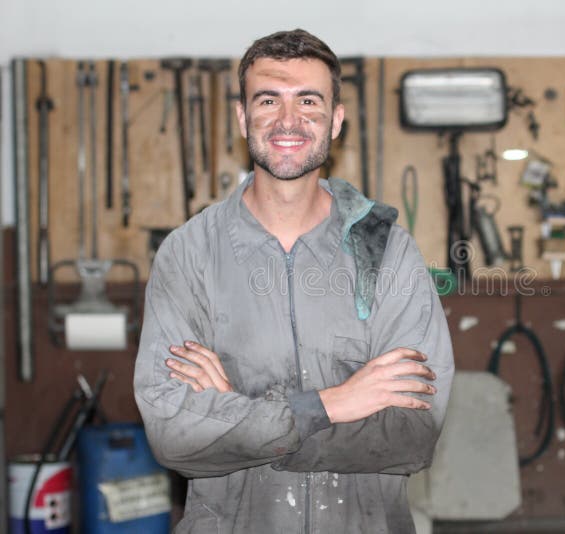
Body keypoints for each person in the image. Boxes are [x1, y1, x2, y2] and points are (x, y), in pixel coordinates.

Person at [133, 28, 454, 534]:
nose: (289, 120)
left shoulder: (387, 249)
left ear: (336, 121)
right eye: (268, 100)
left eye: (309, 101)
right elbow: (175, 435)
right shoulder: (188, 254)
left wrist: (237, 420)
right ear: (243, 118)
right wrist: (333, 403)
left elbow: (413, 434)